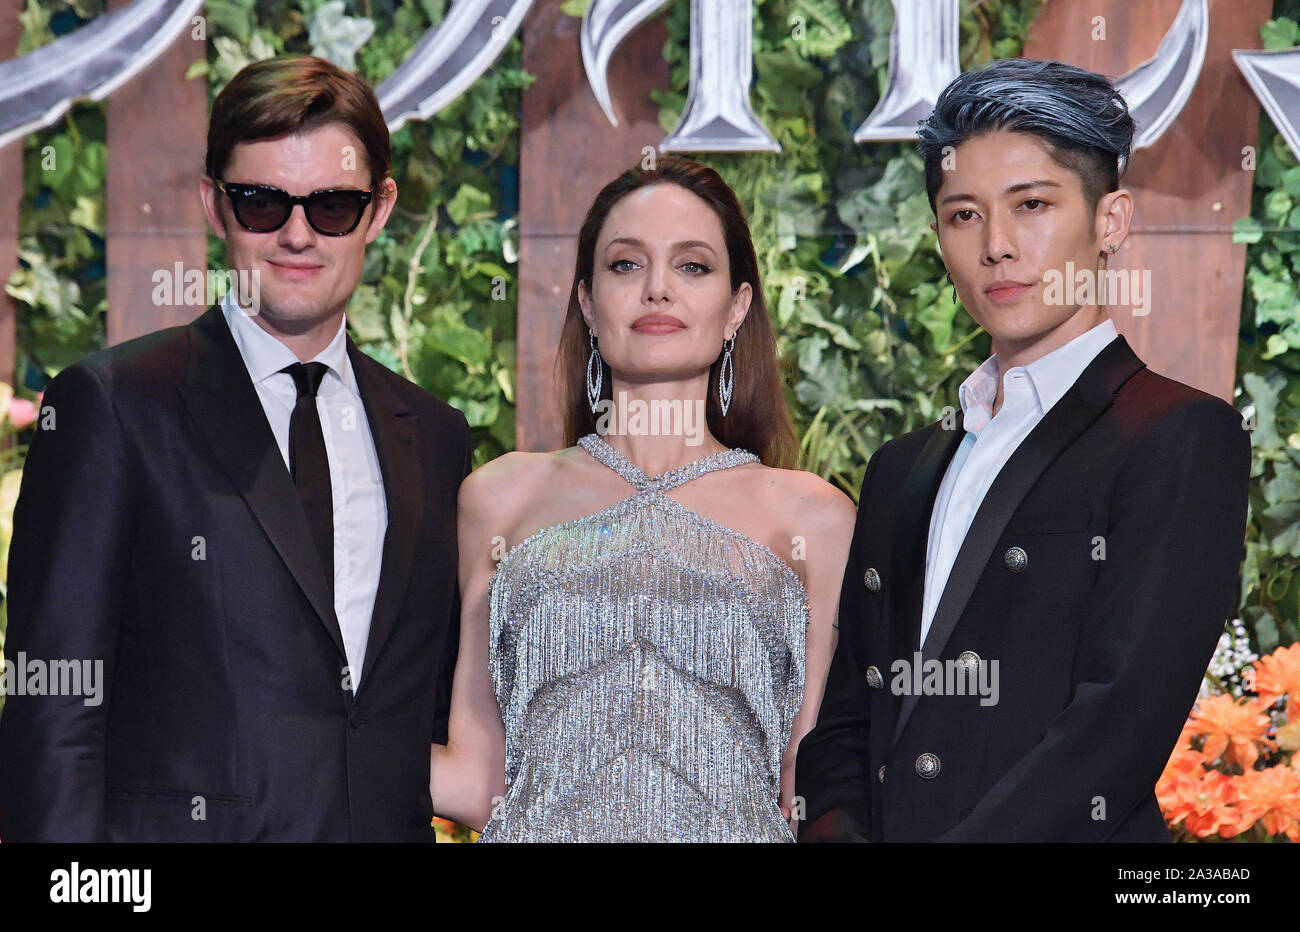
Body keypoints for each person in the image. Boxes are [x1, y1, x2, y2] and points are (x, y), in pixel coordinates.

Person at [0, 55, 471, 841]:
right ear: (213, 206)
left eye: (331, 206)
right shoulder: (115, 407)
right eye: (261, 203)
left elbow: (416, 713)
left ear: (379, 209)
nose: (295, 234)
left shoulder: (436, 438)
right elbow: (55, 710)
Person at [795, 58, 1251, 842]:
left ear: (1110, 221)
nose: (996, 246)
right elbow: (848, 720)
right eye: (962, 215)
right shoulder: (902, 469)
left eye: (1032, 205)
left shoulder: (1178, 435)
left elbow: (1117, 724)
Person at [428, 156, 856, 841]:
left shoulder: (814, 518)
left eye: (692, 266)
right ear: (589, 304)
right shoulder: (500, 498)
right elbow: (478, 778)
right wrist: (294, 727)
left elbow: (809, 792)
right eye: (626, 265)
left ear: (737, 307)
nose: (658, 289)